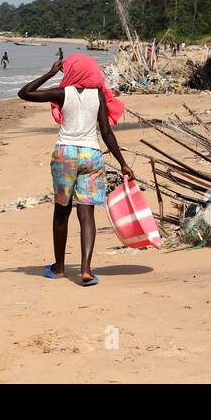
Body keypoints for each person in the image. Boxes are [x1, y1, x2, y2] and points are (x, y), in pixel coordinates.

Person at [18, 55, 133, 286]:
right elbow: (107, 133)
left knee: (62, 210)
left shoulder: (63, 93)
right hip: (91, 155)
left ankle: (59, 268)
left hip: (66, 155)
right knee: (86, 212)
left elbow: (25, 93)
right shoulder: (98, 95)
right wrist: (122, 162)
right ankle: (86, 270)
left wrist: (50, 74)